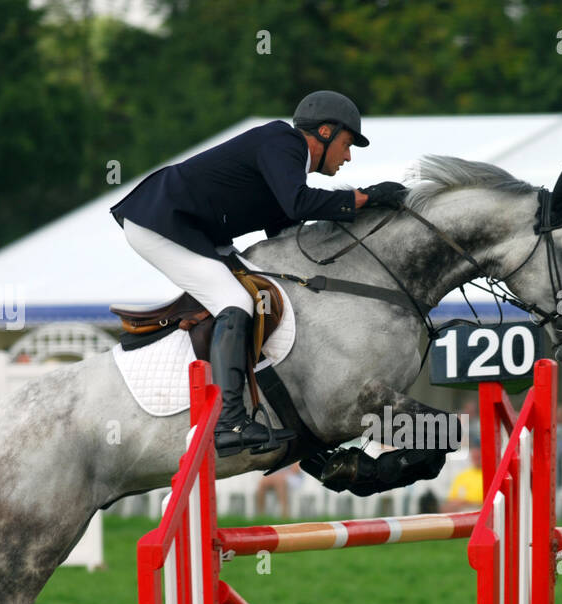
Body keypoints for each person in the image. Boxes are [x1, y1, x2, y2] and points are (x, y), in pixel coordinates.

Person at [110, 90, 407, 456]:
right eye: (347, 145)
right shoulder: (283, 141)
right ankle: (229, 421)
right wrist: (363, 198)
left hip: (191, 230)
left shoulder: (284, 165)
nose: (347, 157)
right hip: (158, 221)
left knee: (262, 292)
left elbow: (286, 233)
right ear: (326, 132)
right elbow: (300, 203)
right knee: (234, 300)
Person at [443, 442, 483, 513]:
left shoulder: (490, 475)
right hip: (462, 514)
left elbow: (488, 501)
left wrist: (465, 502)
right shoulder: (462, 476)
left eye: (478, 456)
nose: (476, 457)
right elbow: (450, 502)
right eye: (474, 455)